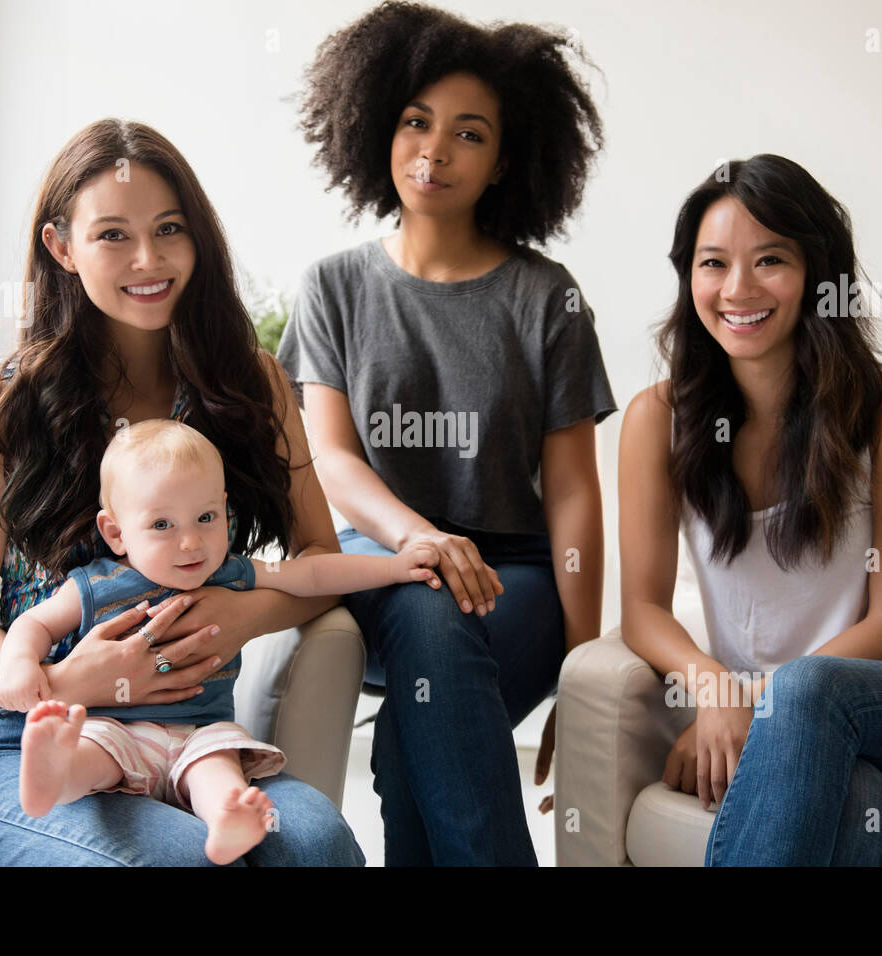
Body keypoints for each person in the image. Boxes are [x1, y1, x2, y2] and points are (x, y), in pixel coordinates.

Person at [0, 118, 365, 866]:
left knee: (319, 842)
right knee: (171, 861)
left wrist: (239, 615)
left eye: (169, 228)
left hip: (195, 739)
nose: (148, 259)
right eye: (112, 235)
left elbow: (318, 557)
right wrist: (65, 679)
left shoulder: (249, 384)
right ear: (61, 248)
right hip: (28, 745)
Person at [278, 1, 615, 865]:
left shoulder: (547, 297)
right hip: (380, 559)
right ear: (376, 131)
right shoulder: (333, 288)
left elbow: (574, 490)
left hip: (518, 578)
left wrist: (585, 671)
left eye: (470, 133)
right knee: (428, 598)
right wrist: (420, 538)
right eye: (415, 122)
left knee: (406, 741)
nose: (434, 148)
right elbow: (334, 460)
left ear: (506, 159)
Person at [617, 153, 882, 866]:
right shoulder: (659, 419)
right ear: (689, 278)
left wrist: (760, 701)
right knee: (855, 803)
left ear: (816, 275)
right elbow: (643, 609)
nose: (737, 288)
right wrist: (716, 690)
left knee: (807, 692)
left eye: (769, 259)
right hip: (796, 734)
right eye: (713, 264)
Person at [0, 418, 440, 864]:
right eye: (162, 525)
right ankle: (54, 774)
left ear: (224, 509)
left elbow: (314, 573)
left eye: (205, 518)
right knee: (94, 754)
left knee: (219, 766)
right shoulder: (97, 585)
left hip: (198, 734)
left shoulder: (231, 572)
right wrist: (19, 665)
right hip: (120, 731)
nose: (190, 542)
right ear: (115, 532)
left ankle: (227, 821)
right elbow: (34, 625)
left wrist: (395, 567)